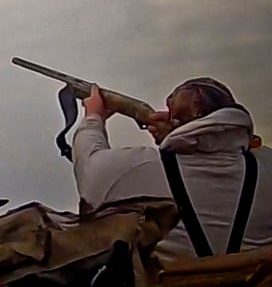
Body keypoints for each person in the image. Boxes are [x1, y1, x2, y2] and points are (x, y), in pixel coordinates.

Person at [74, 78, 272, 265]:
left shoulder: (141, 167)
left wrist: (93, 117)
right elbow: (229, 143)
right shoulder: (266, 165)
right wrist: (183, 136)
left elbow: (89, 169)